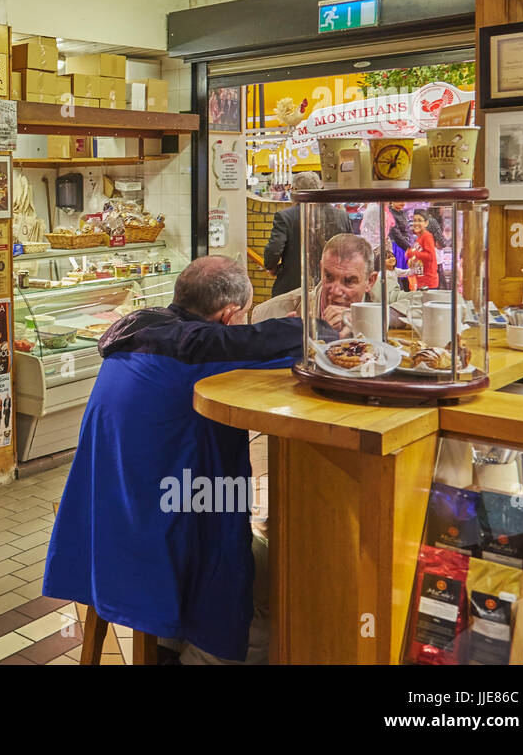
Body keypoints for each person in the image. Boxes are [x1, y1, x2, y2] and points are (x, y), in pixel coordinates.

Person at [43, 256, 318, 664]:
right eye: (243, 316)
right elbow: (266, 343)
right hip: (158, 534)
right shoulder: (197, 353)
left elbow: (254, 336)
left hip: (111, 523)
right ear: (227, 317)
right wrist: (321, 323)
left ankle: (168, 643)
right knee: (281, 580)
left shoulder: (142, 331)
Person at [253, 233, 387, 337]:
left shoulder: (383, 296)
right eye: (329, 277)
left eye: (349, 281)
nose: (335, 290)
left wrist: (365, 318)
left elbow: (407, 305)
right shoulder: (270, 314)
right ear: (321, 269)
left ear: (370, 281)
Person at [262, 172, 352, 298]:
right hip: (333, 287)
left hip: (293, 289)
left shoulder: (286, 216)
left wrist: (270, 266)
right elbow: (350, 250)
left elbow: (274, 248)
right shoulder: (341, 216)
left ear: (296, 191)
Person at [405, 210, 439, 291]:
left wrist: (412, 253)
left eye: (419, 220)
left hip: (428, 282)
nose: (416, 223)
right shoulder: (419, 238)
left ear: (426, 223)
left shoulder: (427, 236)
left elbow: (430, 256)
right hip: (420, 281)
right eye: (414, 220)